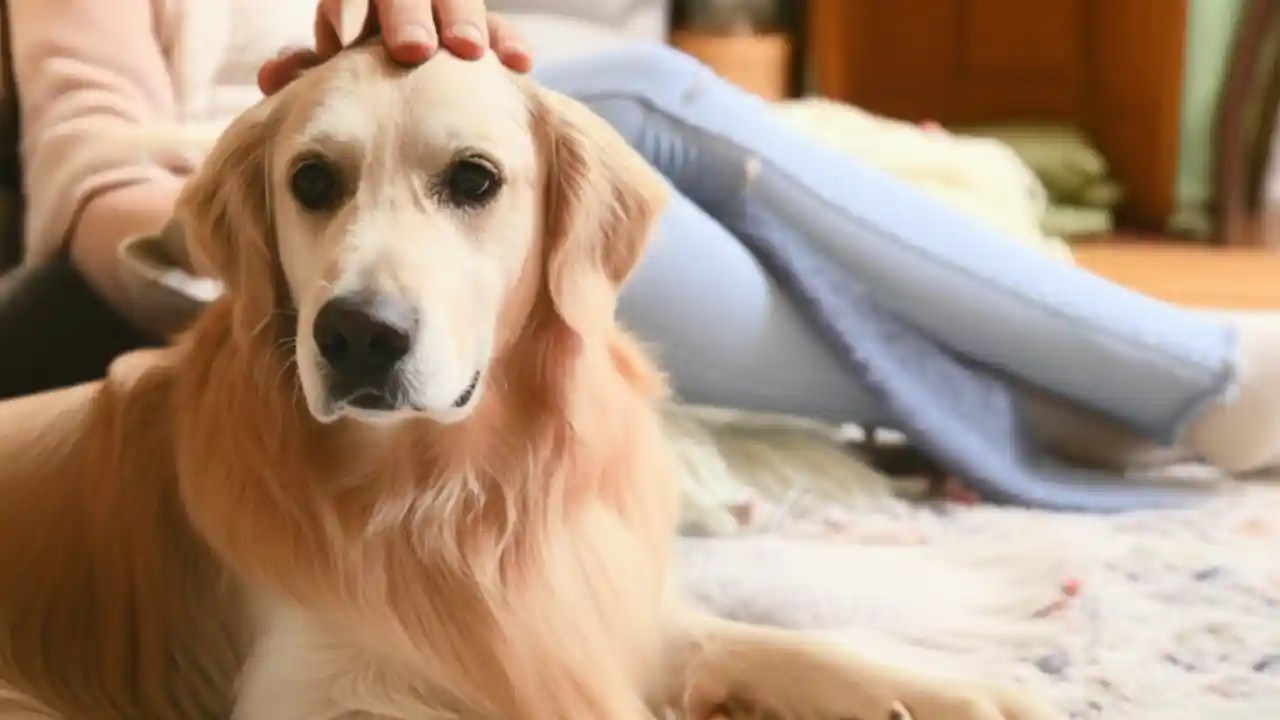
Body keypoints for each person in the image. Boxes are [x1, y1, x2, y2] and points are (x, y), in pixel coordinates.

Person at [5, 0, 1280, 504]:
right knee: (629, 112)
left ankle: (1121, 399)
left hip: (501, 179)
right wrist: (238, 246)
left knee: (624, 115)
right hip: (276, 256)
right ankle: (1179, 380)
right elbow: (98, 169)